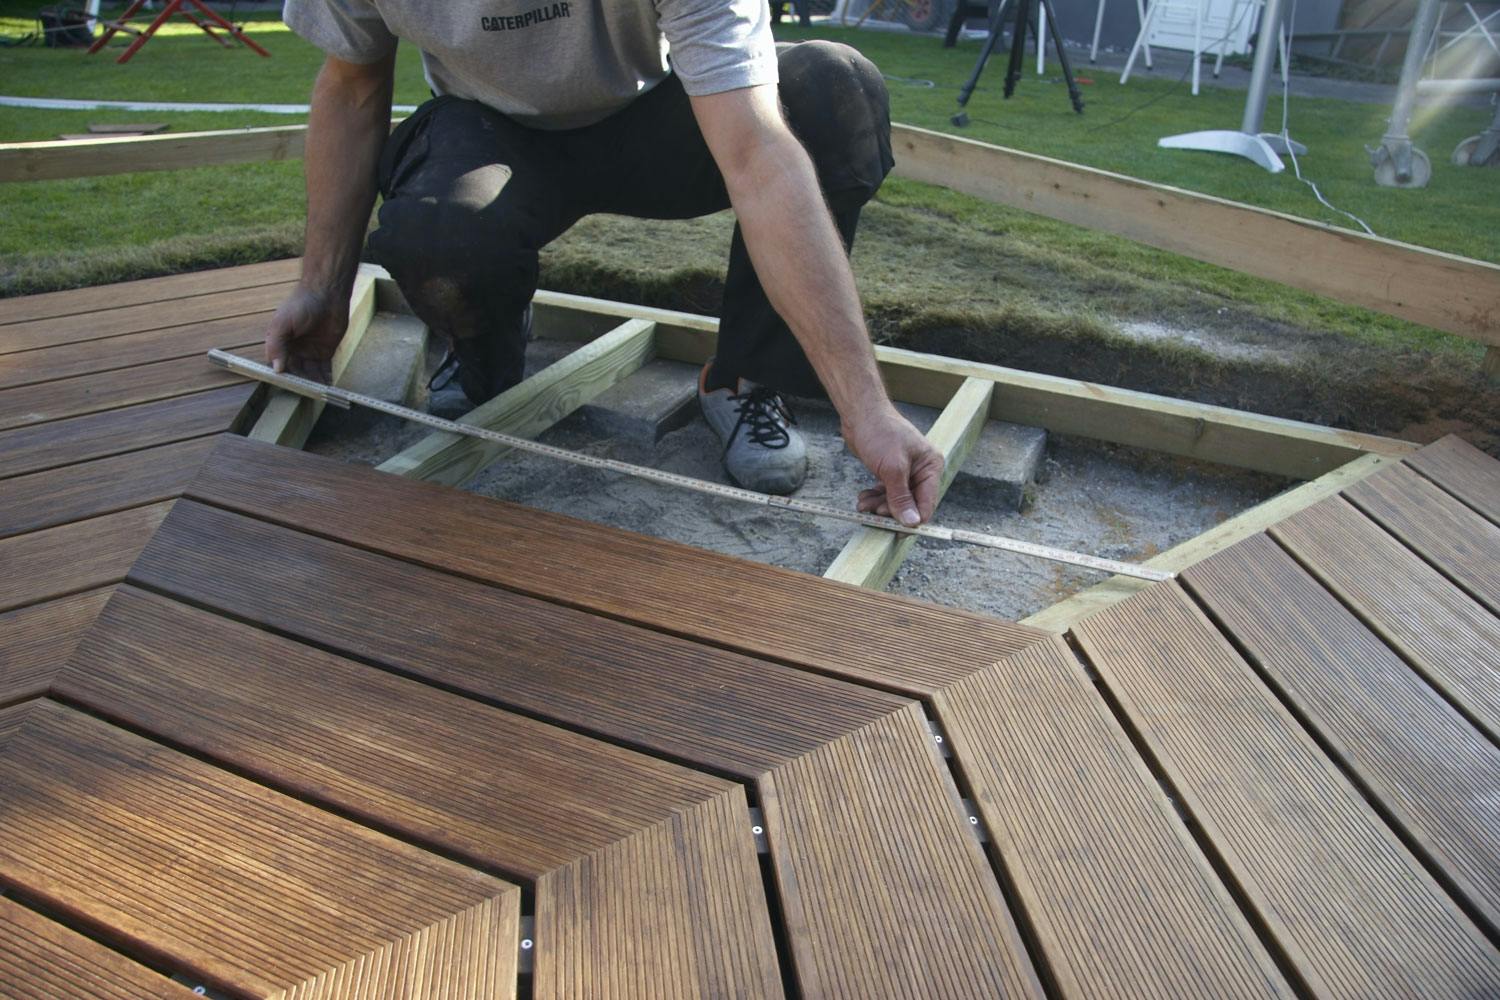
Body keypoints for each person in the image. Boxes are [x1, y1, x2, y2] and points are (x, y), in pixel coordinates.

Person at [266, 0, 943, 527]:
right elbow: (352, 86)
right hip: (489, 129)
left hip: (652, 118)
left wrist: (865, 406)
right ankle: (486, 358)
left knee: (834, 89)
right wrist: (321, 289)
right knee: (439, 237)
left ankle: (746, 378)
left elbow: (759, 156)